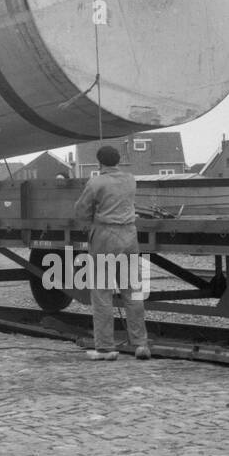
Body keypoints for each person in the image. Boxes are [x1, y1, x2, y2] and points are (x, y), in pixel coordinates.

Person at [73, 145, 150, 361]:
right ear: (118, 160)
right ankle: (140, 344)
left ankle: (105, 347)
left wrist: (91, 220)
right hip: (130, 236)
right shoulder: (130, 179)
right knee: (133, 291)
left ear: (99, 162)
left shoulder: (96, 182)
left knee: (102, 293)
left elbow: (81, 210)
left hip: (106, 237)